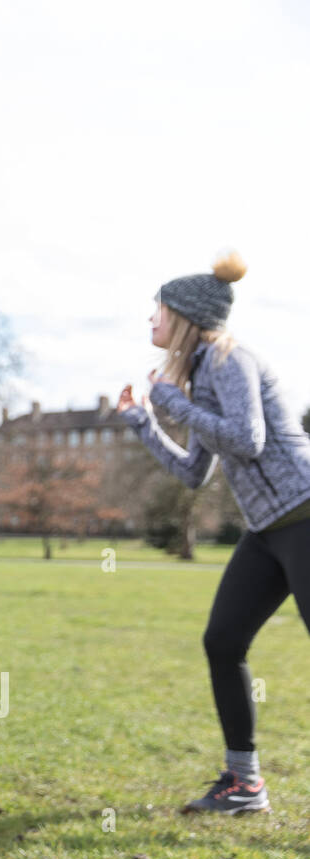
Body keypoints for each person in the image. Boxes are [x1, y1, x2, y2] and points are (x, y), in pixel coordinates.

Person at [117, 251, 310, 815]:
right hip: (266, 530)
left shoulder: (228, 360)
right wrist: (145, 422)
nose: (151, 320)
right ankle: (244, 783)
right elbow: (193, 472)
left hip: (304, 514)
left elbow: (247, 439)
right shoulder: (199, 376)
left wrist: (175, 402)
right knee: (223, 641)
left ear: (184, 316)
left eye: (158, 310)